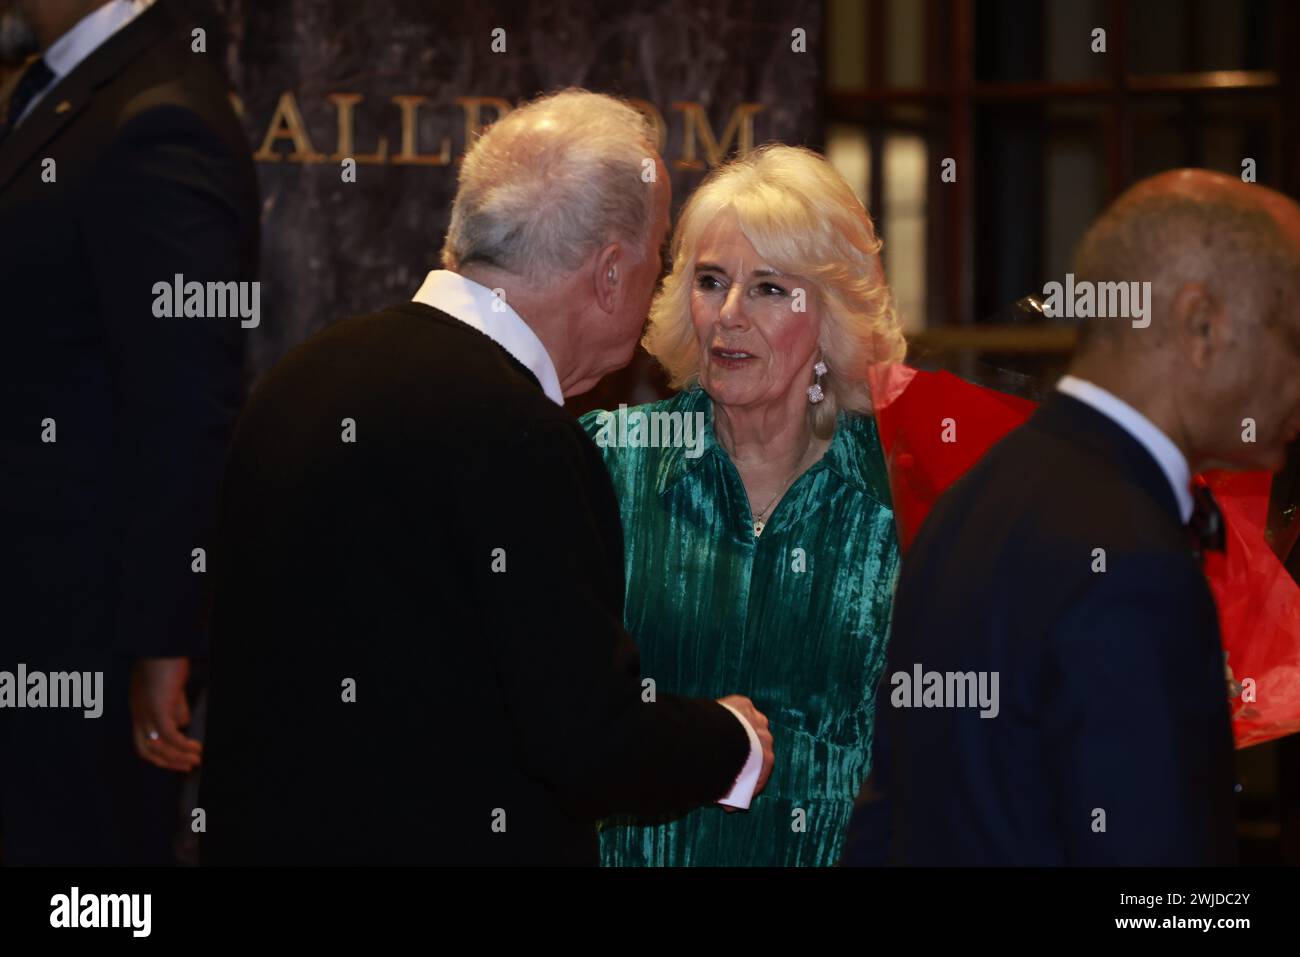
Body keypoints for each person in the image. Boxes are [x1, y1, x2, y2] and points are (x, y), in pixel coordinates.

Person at [199, 89, 774, 865]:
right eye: (661, 258)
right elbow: (586, 740)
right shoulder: (521, 438)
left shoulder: (296, 381)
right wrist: (732, 740)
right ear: (610, 275)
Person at [888, 169, 1300, 865]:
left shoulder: (975, 498)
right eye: (1292, 333)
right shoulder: (1131, 555)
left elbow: (897, 822)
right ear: (1200, 325)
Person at [585, 144, 905, 866]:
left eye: (767, 288)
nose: (728, 314)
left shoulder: (902, 496)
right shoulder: (607, 463)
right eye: (710, 280)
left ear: (831, 314)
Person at [0, 0, 258, 864]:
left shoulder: (161, 114)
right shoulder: (65, 91)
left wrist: (162, 636)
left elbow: (185, 399)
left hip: (85, 625)